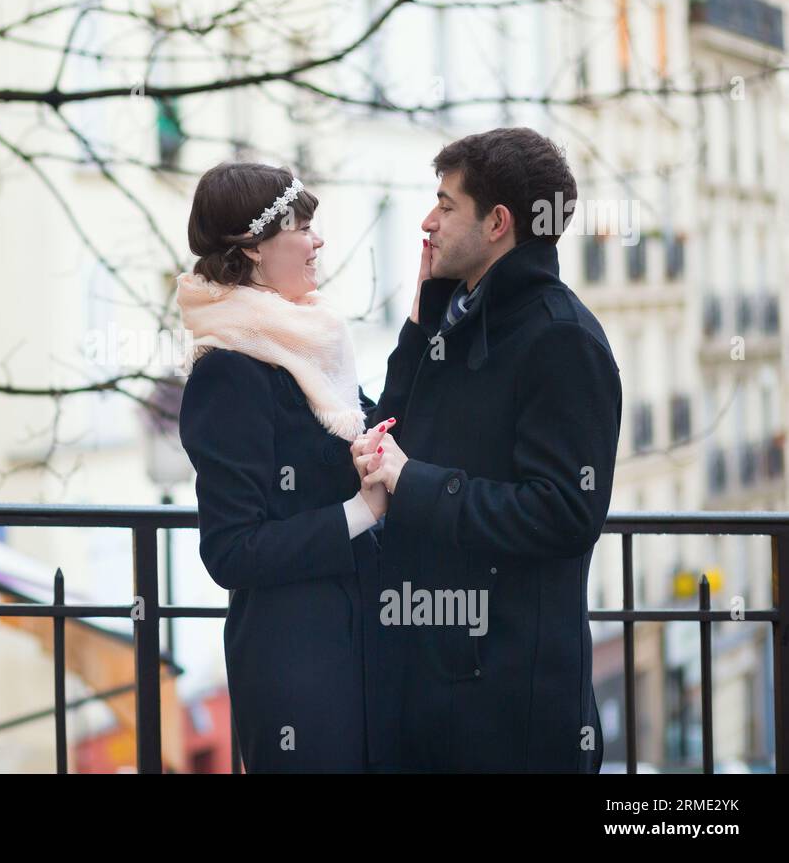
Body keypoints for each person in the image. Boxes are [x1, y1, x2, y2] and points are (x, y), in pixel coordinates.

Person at [356, 127, 622, 772]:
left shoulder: (562, 339)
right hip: (430, 688)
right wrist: (421, 323)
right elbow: (394, 430)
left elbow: (566, 513)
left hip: (507, 713)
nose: (428, 222)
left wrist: (413, 481)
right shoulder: (458, 316)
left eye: (446, 205)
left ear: (498, 223)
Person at [176, 161, 396, 772]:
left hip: (358, 652)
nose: (317, 241)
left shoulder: (306, 344)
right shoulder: (229, 371)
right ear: (252, 248)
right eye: (301, 228)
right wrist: (359, 512)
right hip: (299, 676)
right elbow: (231, 550)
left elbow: (379, 421)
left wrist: (424, 315)